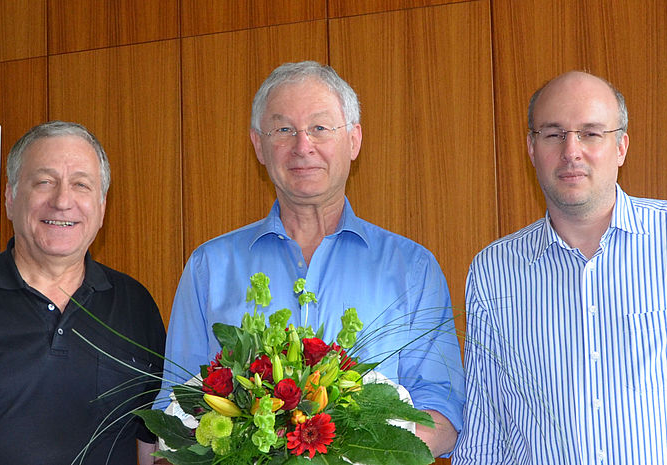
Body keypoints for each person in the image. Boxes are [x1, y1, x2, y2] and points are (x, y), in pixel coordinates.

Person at [160, 61, 465, 457]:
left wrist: (357, 454)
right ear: (258, 145)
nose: (303, 146)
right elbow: (177, 404)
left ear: (353, 140)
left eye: (320, 128)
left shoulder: (413, 268)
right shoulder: (210, 267)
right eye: (283, 129)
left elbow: (441, 408)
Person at [452, 70, 667, 464]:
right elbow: (485, 429)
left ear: (621, 146)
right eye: (553, 134)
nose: (571, 151)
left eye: (590, 133)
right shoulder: (494, 270)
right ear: (531, 148)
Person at [0, 121, 166, 464]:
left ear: (102, 206)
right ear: (10, 198)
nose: (63, 201)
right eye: (44, 182)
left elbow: (147, 442)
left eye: (81, 184)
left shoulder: (135, 304)